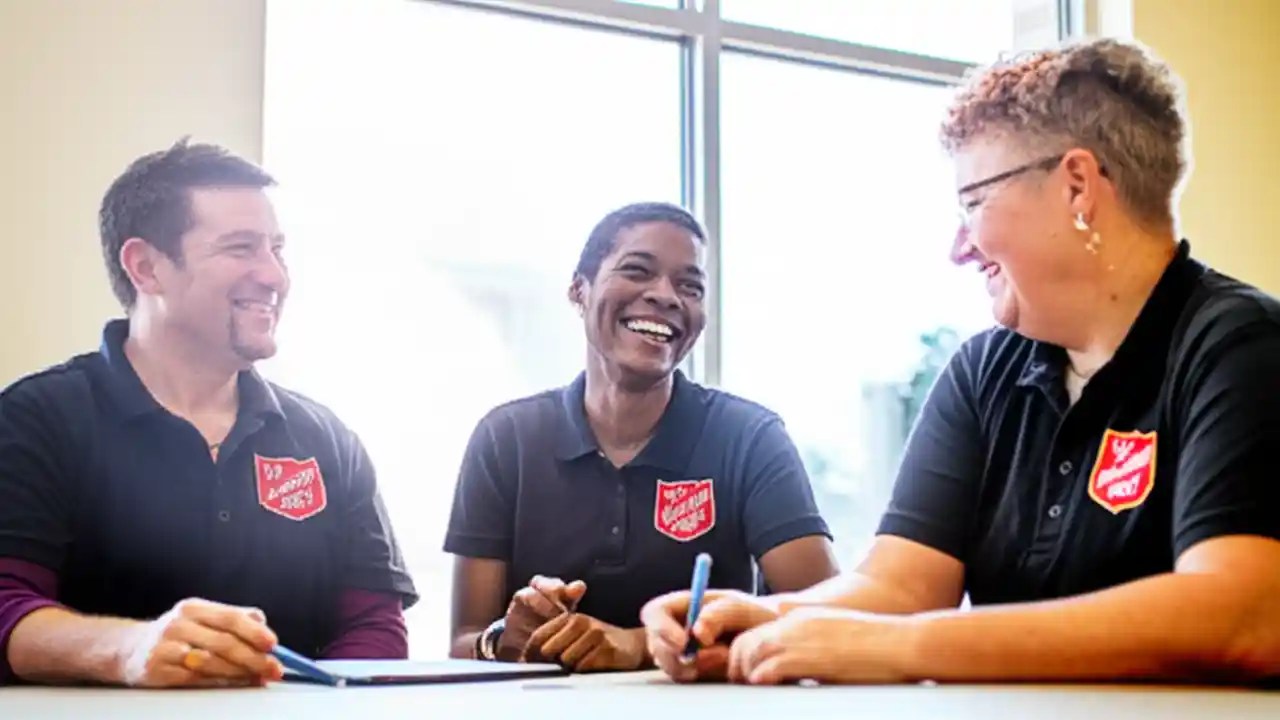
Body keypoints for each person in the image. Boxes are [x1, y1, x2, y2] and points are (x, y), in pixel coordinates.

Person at [641, 38, 1280, 686]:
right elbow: (901, 587)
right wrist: (762, 618)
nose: (959, 247)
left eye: (973, 202)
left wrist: (899, 649)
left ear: (1078, 186)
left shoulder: (1240, 348)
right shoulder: (983, 372)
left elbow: (1243, 614)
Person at [0, 139, 417, 688]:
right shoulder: (36, 419)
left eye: (277, 249)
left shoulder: (326, 440)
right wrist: (128, 649)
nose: (274, 276)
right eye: (241, 248)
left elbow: (374, 625)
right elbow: (6, 603)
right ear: (146, 267)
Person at [444, 202, 839, 672]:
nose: (666, 296)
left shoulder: (751, 438)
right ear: (579, 291)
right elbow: (464, 643)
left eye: (689, 286)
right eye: (637, 271)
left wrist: (640, 645)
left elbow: (826, 618)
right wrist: (504, 640)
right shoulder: (504, 440)